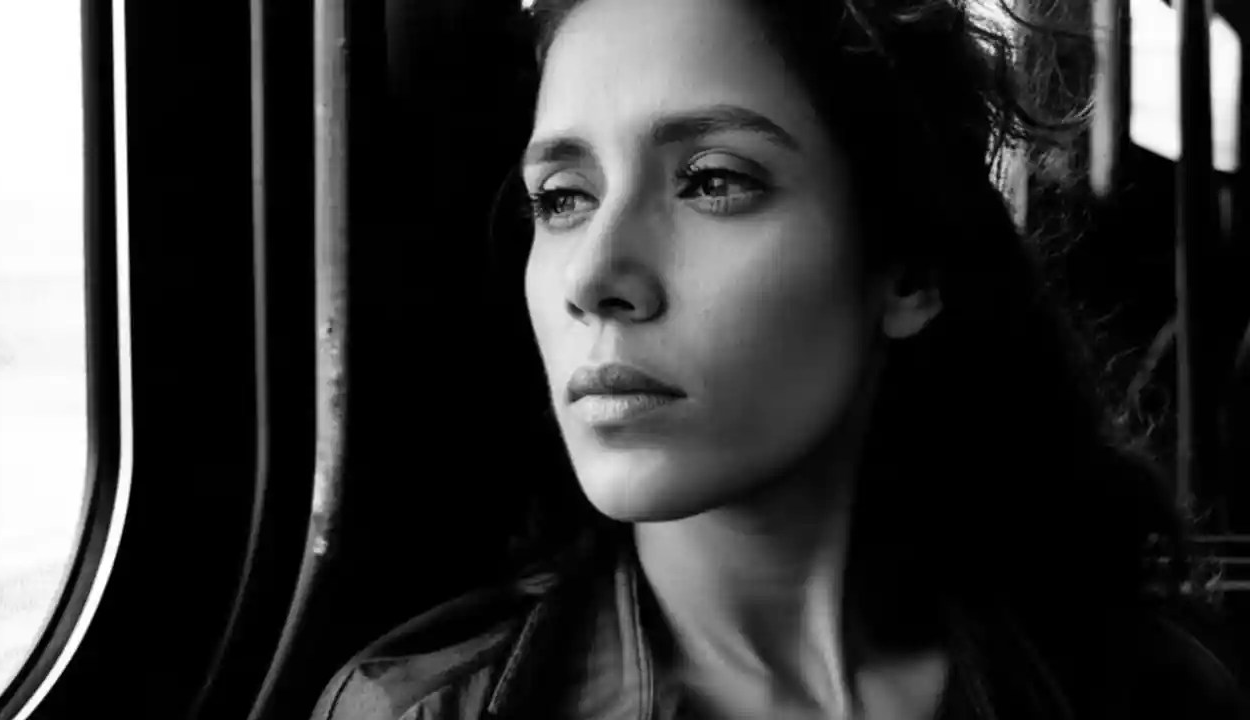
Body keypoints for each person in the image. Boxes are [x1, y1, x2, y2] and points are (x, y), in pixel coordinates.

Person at [311, 0, 1247, 717]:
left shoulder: (1145, 687)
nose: (595, 275)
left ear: (907, 268)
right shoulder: (433, 709)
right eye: (561, 198)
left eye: (713, 181)